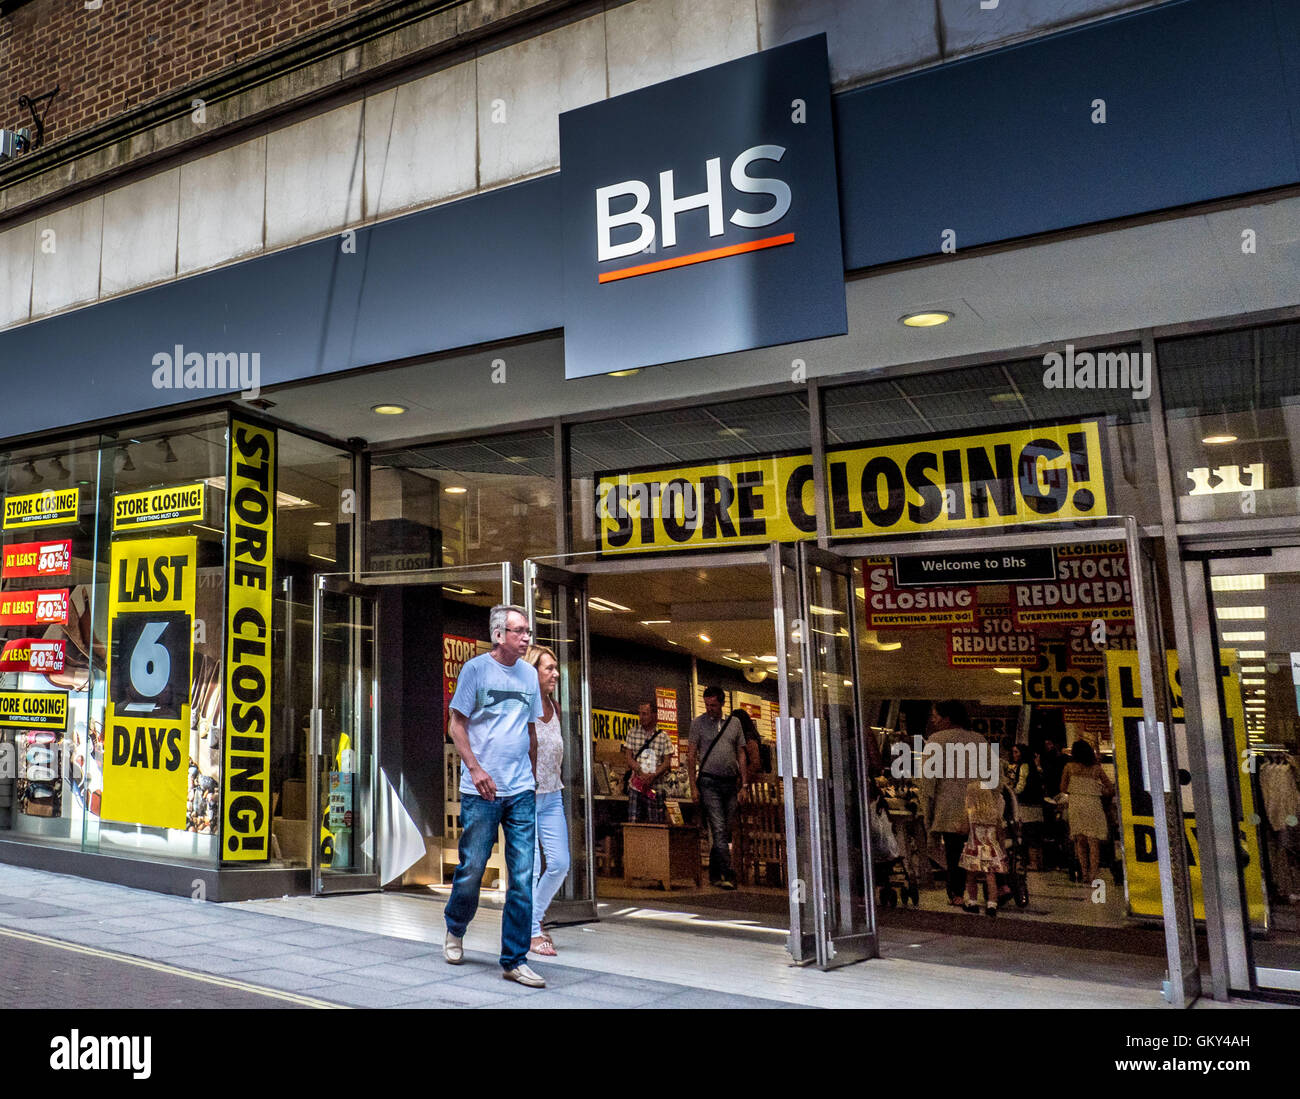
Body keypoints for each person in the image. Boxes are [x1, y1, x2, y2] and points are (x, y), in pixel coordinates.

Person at [443, 604, 546, 989]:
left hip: (520, 790)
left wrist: (533, 777)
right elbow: (456, 723)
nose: (526, 638)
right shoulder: (475, 670)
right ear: (499, 634)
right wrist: (475, 768)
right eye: (520, 631)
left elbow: (530, 730)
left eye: (528, 632)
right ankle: (455, 928)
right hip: (481, 790)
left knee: (521, 876)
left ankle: (514, 959)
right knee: (472, 870)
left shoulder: (529, 677)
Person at [918, 700, 987, 907]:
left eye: (936, 716)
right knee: (984, 848)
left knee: (954, 851)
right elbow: (993, 777)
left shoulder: (936, 741)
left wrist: (926, 810)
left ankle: (956, 893)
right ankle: (998, 886)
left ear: (947, 719)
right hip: (979, 806)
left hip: (949, 807)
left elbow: (927, 781)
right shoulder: (979, 740)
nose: (933, 720)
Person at [525, 644, 569, 959]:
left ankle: (533, 918)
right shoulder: (522, 706)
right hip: (527, 795)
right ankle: (531, 931)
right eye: (548, 668)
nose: (555, 673)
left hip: (553, 795)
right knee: (533, 867)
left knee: (560, 863)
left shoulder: (554, 707)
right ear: (533, 671)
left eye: (555, 668)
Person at [688, 685, 749, 889]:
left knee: (725, 829)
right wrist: (693, 786)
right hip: (708, 782)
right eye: (706, 704)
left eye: (713, 705)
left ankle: (714, 873)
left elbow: (741, 753)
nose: (709, 708)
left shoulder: (735, 724)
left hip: (730, 782)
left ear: (722, 703)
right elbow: (690, 755)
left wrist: (744, 784)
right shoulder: (698, 724)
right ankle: (727, 873)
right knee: (719, 826)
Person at [1060, 739, 1115, 887]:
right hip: (1093, 804)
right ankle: (1093, 874)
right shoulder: (1096, 769)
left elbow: (1063, 788)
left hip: (1076, 804)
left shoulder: (1069, 767)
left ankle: (1084, 872)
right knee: (1093, 841)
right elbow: (1110, 788)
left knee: (1080, 840)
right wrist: (1099, 791)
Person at [959, 780, 1008, 916]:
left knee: (971, 877)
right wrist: (1002, 849)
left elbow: (963, 829)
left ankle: (973, 902)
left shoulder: (970, 813)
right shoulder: (994, 814)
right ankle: (992, 904)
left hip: (974, 848)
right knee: (990, 877)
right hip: (991, 849)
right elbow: (1000, 834)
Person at [624, 700, 673, 823]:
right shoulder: (632, 732)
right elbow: (628, 757)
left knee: (655, 823)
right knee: (633, 822)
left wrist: (653, 774)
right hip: (636, 785)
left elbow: (667, 762)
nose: (641, 717)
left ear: (654, 715)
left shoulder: (663, 737)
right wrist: (640, 771)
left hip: (655, 787)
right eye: (640, 714)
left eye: (645, 714)